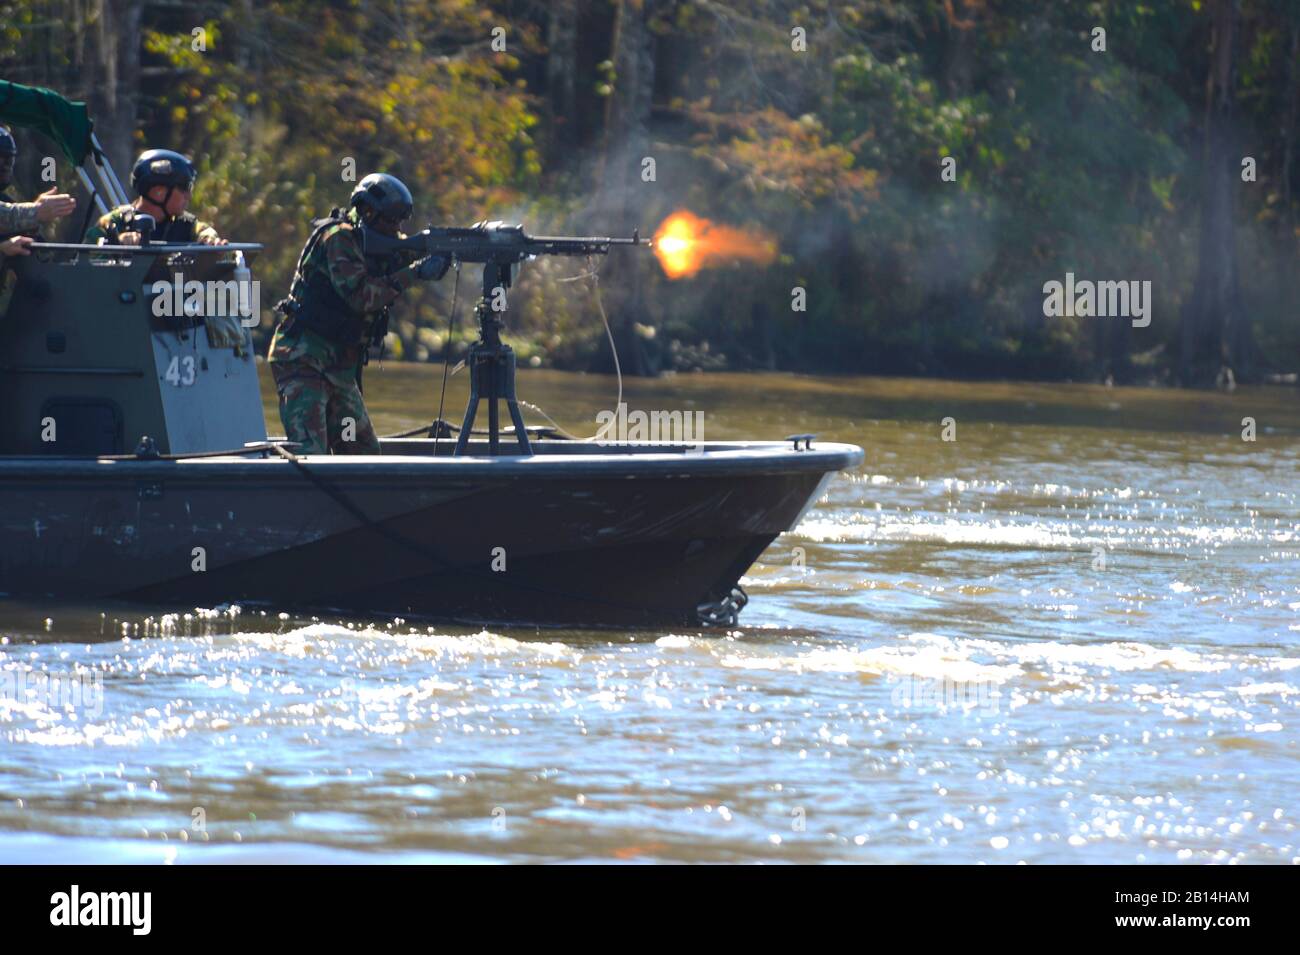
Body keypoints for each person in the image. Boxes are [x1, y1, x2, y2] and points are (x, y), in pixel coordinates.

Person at [267, 173, 448, 455]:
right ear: (368, 212)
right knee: (309, 454)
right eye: (391, 221)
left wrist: (447, 249)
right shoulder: (339, 238)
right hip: (303, 361)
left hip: (338, 369)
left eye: (401, 222)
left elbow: (402, 253)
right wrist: (416, 273)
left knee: (364, 453)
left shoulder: (377, 243)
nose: (396, 229)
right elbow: (361, 297)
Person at [84, 148, 226, 246]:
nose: (189, 196)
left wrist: (210, 240)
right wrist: (117, 244)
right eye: (184, 188)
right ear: (159, 192)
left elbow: (206, 232)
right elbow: (87, 259)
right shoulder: (113, 223)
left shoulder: (188, 225)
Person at [0, 125, 77, 237]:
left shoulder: (5, 200)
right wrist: (36, 211)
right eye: (1, 160)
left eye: (9, 160)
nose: (6, 167)